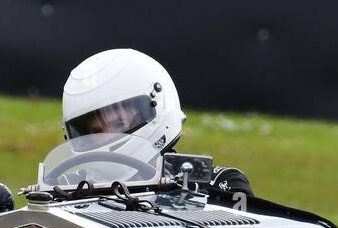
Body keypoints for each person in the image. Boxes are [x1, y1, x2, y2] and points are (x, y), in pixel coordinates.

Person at [61, 48, 252, 199]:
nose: (106, 137)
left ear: (156, 104)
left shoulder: (217, 184)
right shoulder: (65, 189)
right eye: (93, 133)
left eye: (118, 124)